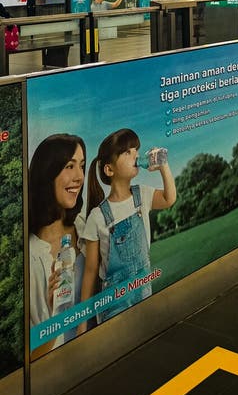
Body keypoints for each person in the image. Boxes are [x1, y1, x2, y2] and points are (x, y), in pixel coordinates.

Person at [79, 129, 176, 327]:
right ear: (109, 170)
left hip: (144, 292)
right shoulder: (97, 217)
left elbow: (169, 198)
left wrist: (163, 166)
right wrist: (82, 325)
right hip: (114, 305)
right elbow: (90, 272)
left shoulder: (143, 195)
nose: (136, 154)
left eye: (136, 150)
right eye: (127, 152)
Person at [28, 133, 87, 359]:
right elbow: (31, 356)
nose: (79, 176)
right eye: (69, 166)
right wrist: (56, 316)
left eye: (81, 166)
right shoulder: (32, 257)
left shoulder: (84, 226)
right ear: (47, 174)